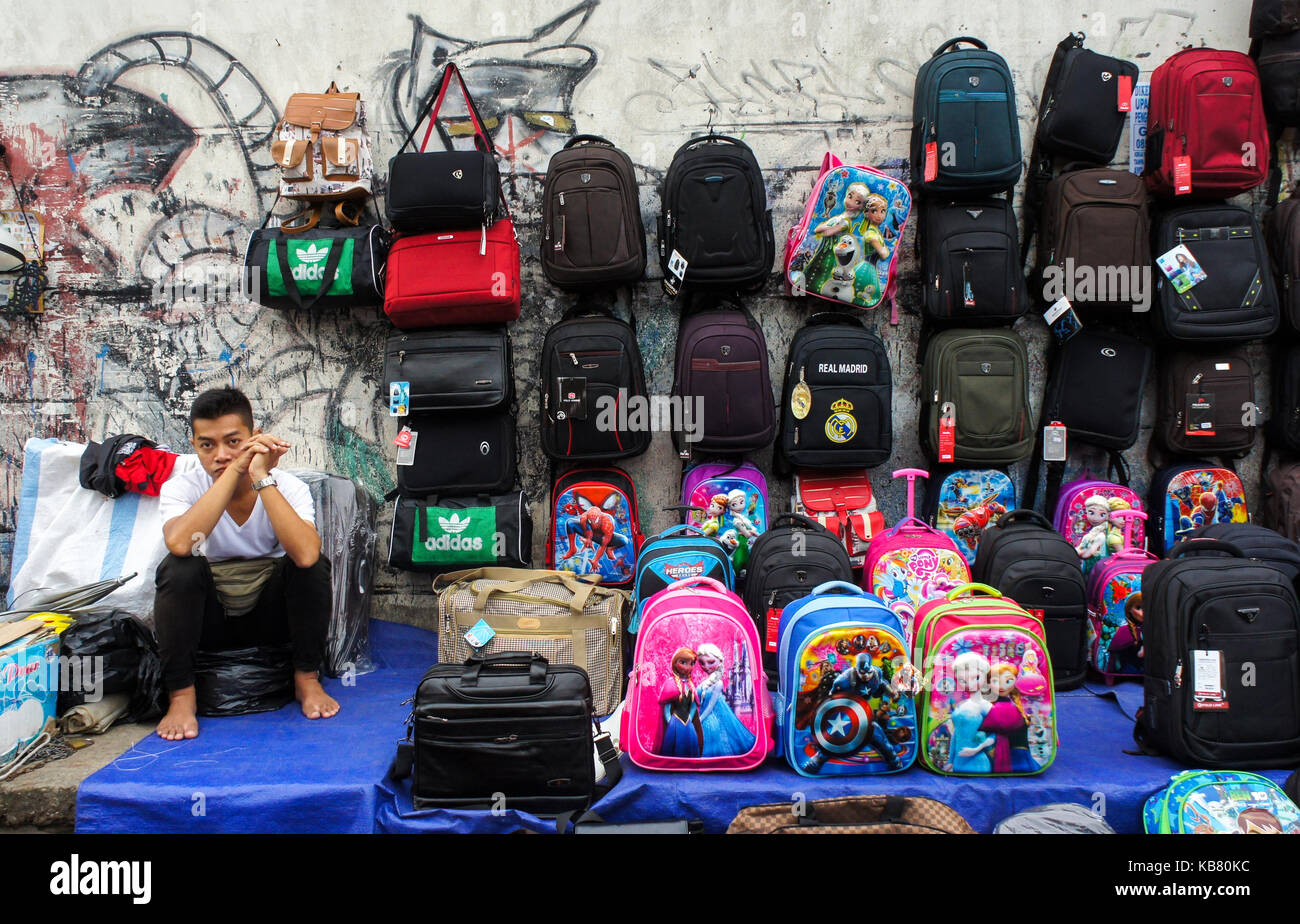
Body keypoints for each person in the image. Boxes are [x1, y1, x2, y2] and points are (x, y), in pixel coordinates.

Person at [153, 387, 337, 740]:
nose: (220, 454)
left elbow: (306, 556)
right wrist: (233, 471)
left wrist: (258, 477)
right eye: (207, 445)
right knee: (179, 567)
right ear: (194, 445)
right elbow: (179, 543)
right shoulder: (182, 488)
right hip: (211, 620)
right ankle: (181, 695)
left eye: (233, 442)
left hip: (270, 618)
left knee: (312, 567)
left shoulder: (288, 487)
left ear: (255, 437)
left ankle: (307, 679)